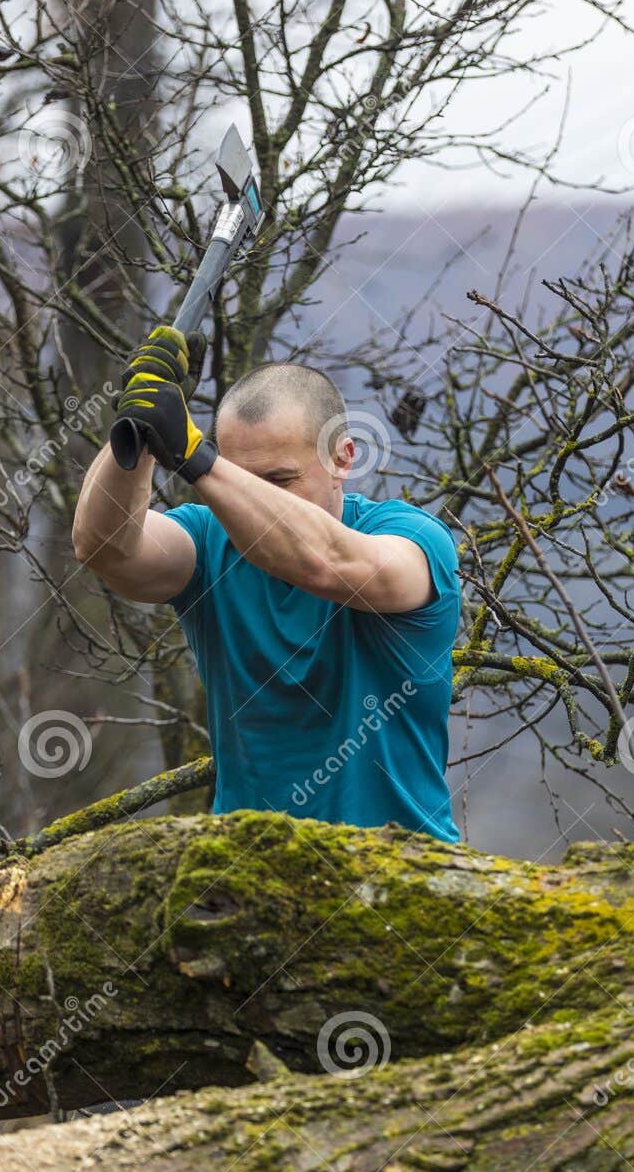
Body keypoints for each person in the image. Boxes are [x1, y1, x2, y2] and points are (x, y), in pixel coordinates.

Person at [72, 329, 461, 841]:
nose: (247, 497)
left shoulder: (412, 540)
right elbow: (104, 547)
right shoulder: (207, 542)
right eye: (238, 477)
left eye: (277, 481)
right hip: (249, 877)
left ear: (344, 457)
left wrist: (197, 459)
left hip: (402, 874)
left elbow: (326, 564)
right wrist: (139, 430)